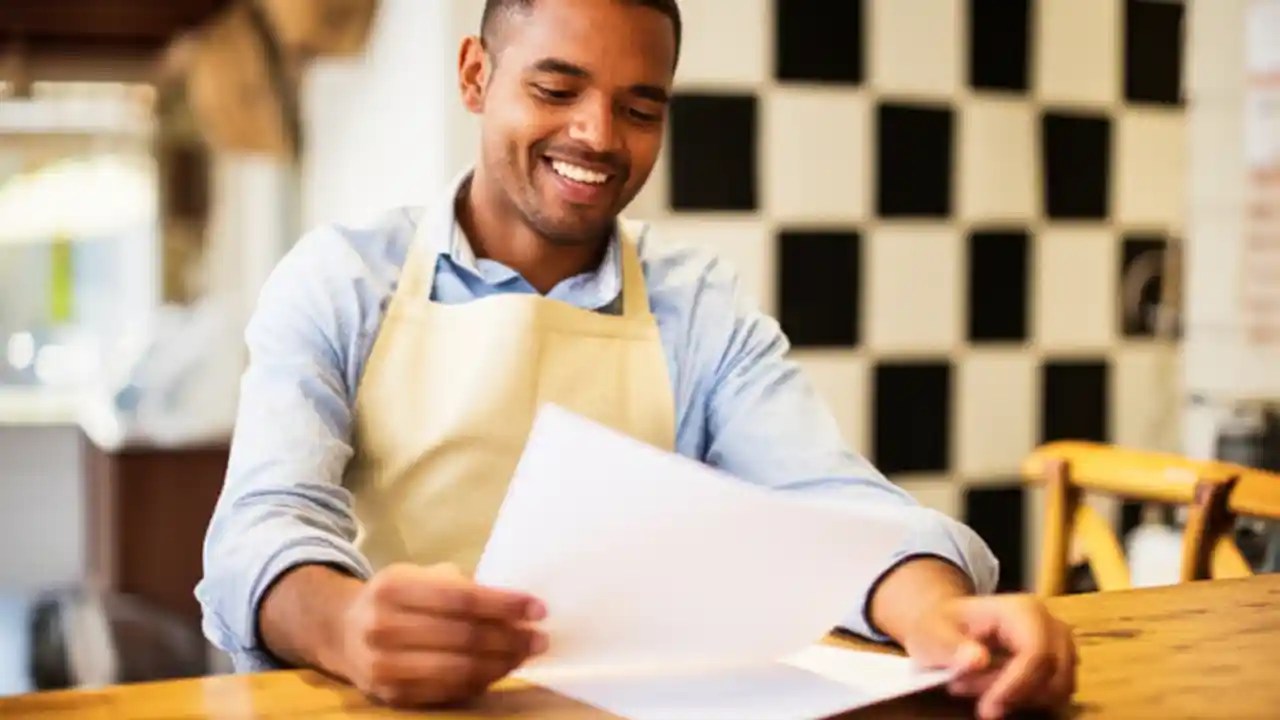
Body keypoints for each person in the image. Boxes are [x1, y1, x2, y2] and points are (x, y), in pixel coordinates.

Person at [196, 0, 1077, 717]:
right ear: (475, 75)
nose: (599, 136)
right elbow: (261, 528)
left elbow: (827, 498)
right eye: (555, 88)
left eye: (640, 108)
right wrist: (350, 626)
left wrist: (938, 614)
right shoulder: (342, 278)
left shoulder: (699, 306)